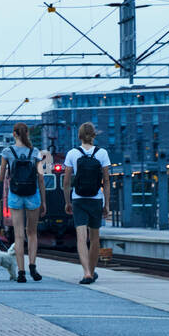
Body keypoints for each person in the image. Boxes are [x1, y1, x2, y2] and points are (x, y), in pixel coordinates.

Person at [61, 121, 111, 284]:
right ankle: (93, 270)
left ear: (79, 136)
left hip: (78, 199)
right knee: (95, 237)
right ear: (94, 135)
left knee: (81, 237)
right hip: (96, 199)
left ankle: (86, 272)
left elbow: (67, 182)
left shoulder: (72, 153)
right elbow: (106, 181)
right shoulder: (102, 153)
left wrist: (67, 201)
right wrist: (107, 204)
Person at [0, 122, 45, 283]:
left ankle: (21, 272)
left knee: (18, 235)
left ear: (14, 134)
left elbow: (1, 177)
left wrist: (7, 177)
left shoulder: (7, 152)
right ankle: (33, 265)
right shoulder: (36, 152)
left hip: (15, 195)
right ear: (27, 134)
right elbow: (40, 177)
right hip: (33, 195)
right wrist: (43, 202)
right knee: (31, 233)